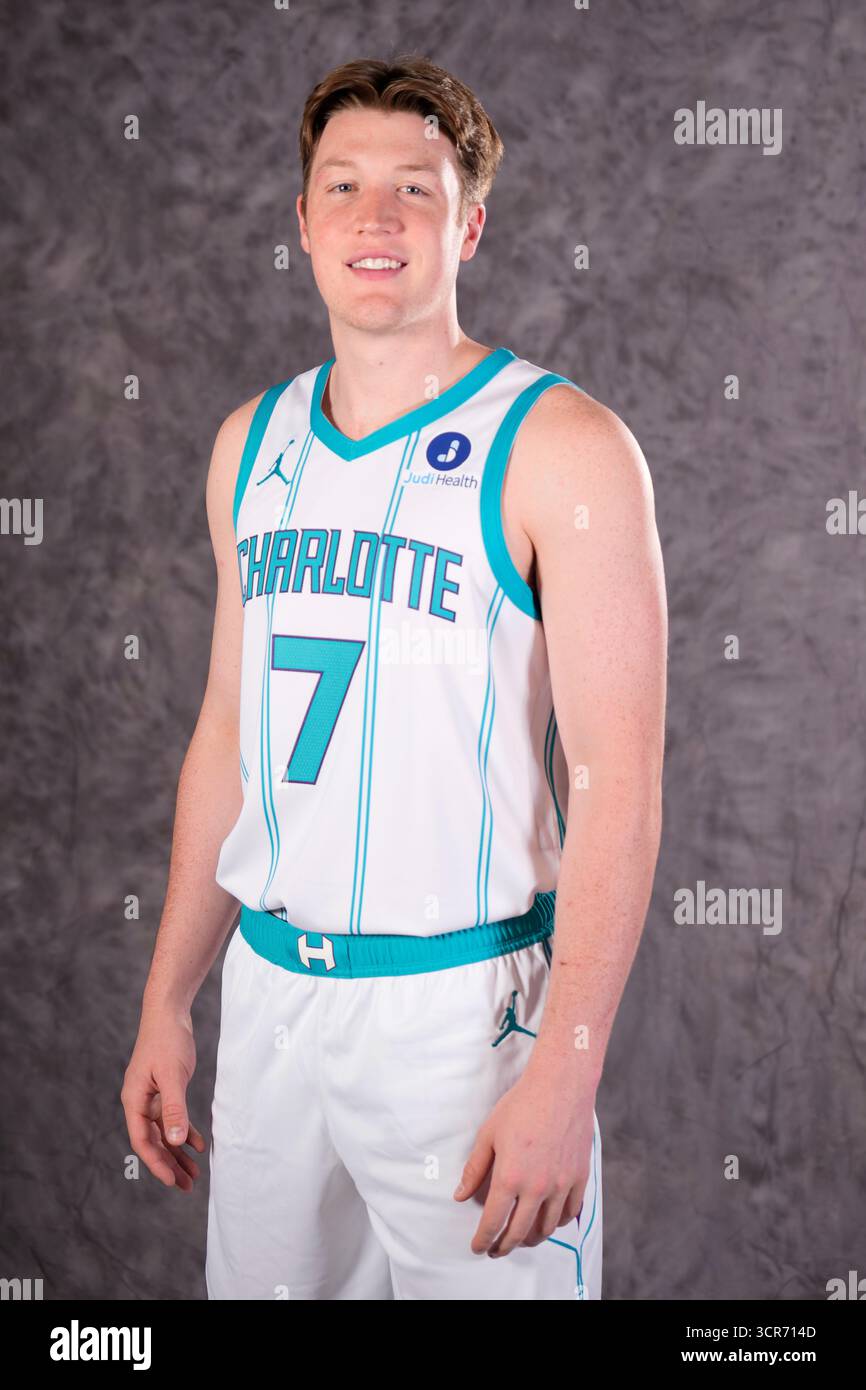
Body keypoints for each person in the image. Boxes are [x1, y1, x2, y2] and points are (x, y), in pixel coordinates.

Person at [121, 52, 667, 1301]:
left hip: (462, 1022)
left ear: (468, 223)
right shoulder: (246, 448)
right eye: (343, 185)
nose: (375, 218)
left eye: (414, 190)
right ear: (302, 222)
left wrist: (566, 1073)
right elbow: (226, 736)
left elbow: (618, 783)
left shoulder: (565, 447)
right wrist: (170, 998)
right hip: (269, 1007)